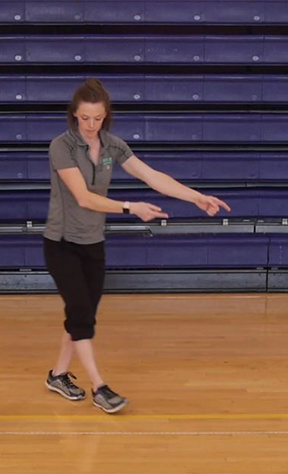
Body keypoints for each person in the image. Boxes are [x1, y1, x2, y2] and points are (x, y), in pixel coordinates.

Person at [43, 78, 230, 413]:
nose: (90, 125)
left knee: (80, 314)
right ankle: (99, 387)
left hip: (92, 243)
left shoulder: (113, 146)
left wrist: (196, 197)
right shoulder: (62, 146)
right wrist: (131, 208)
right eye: (84, 118)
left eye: (97, 118)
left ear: (106, 117)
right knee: (82, 314)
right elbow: (84, 199)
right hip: (62, 243)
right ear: (73, 115)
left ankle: (57, 374)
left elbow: (151, 175)